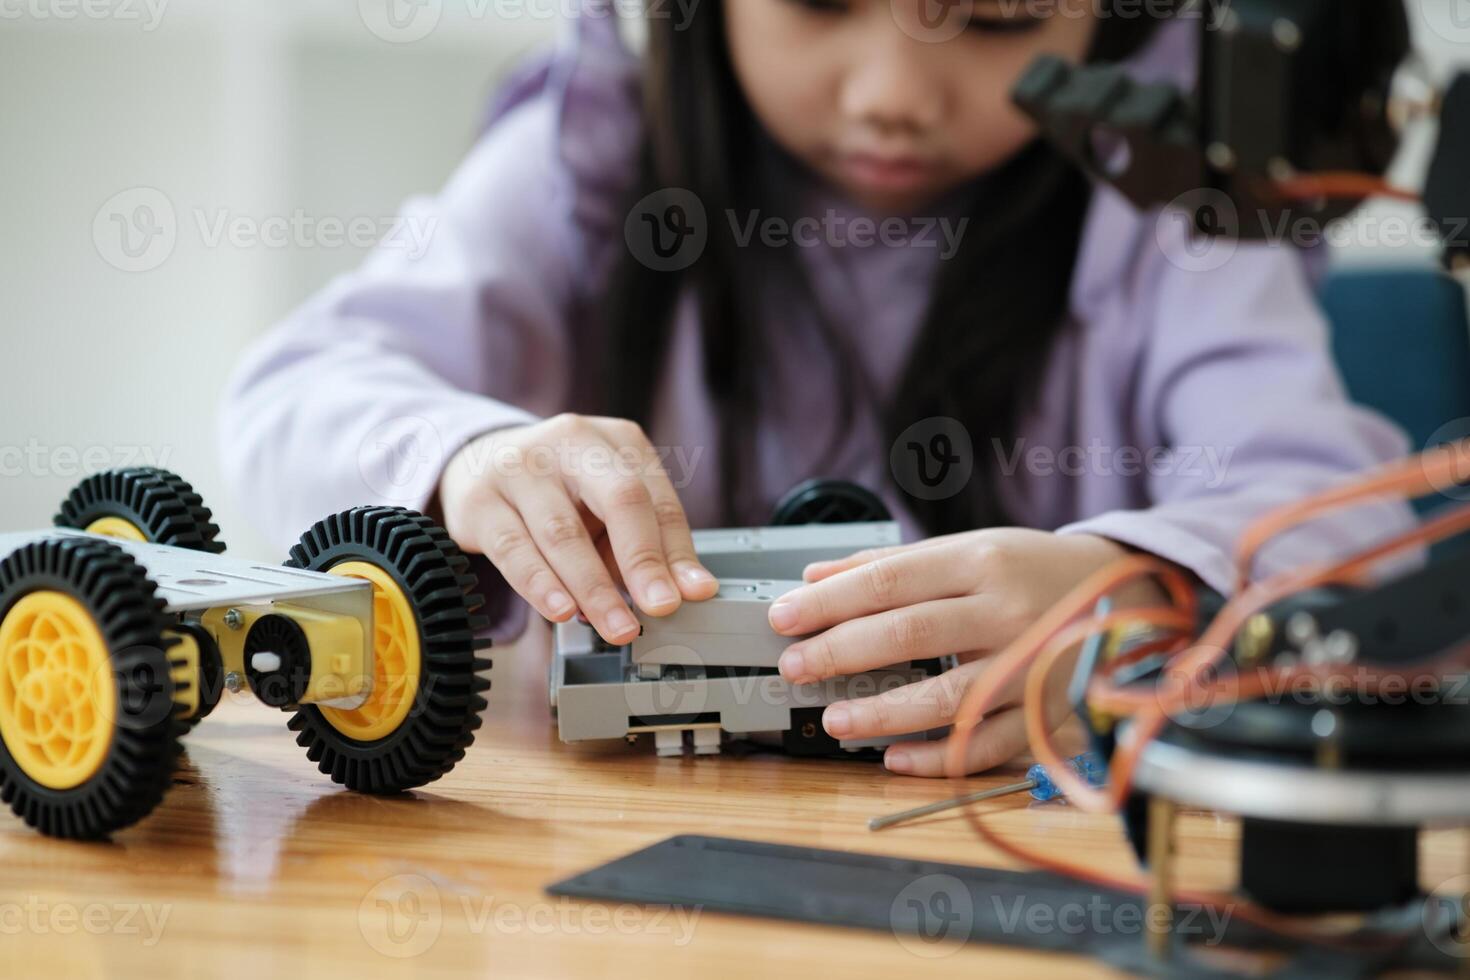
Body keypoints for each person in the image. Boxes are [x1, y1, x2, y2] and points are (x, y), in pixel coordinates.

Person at [220, 0, 1413, 776]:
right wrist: (466, 457)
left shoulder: (1165, 200)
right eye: (822, 3)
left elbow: (1350, 523)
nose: (890, 89)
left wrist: (1142, 589)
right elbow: (291, 394)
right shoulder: (595, 148)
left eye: (997, 20)